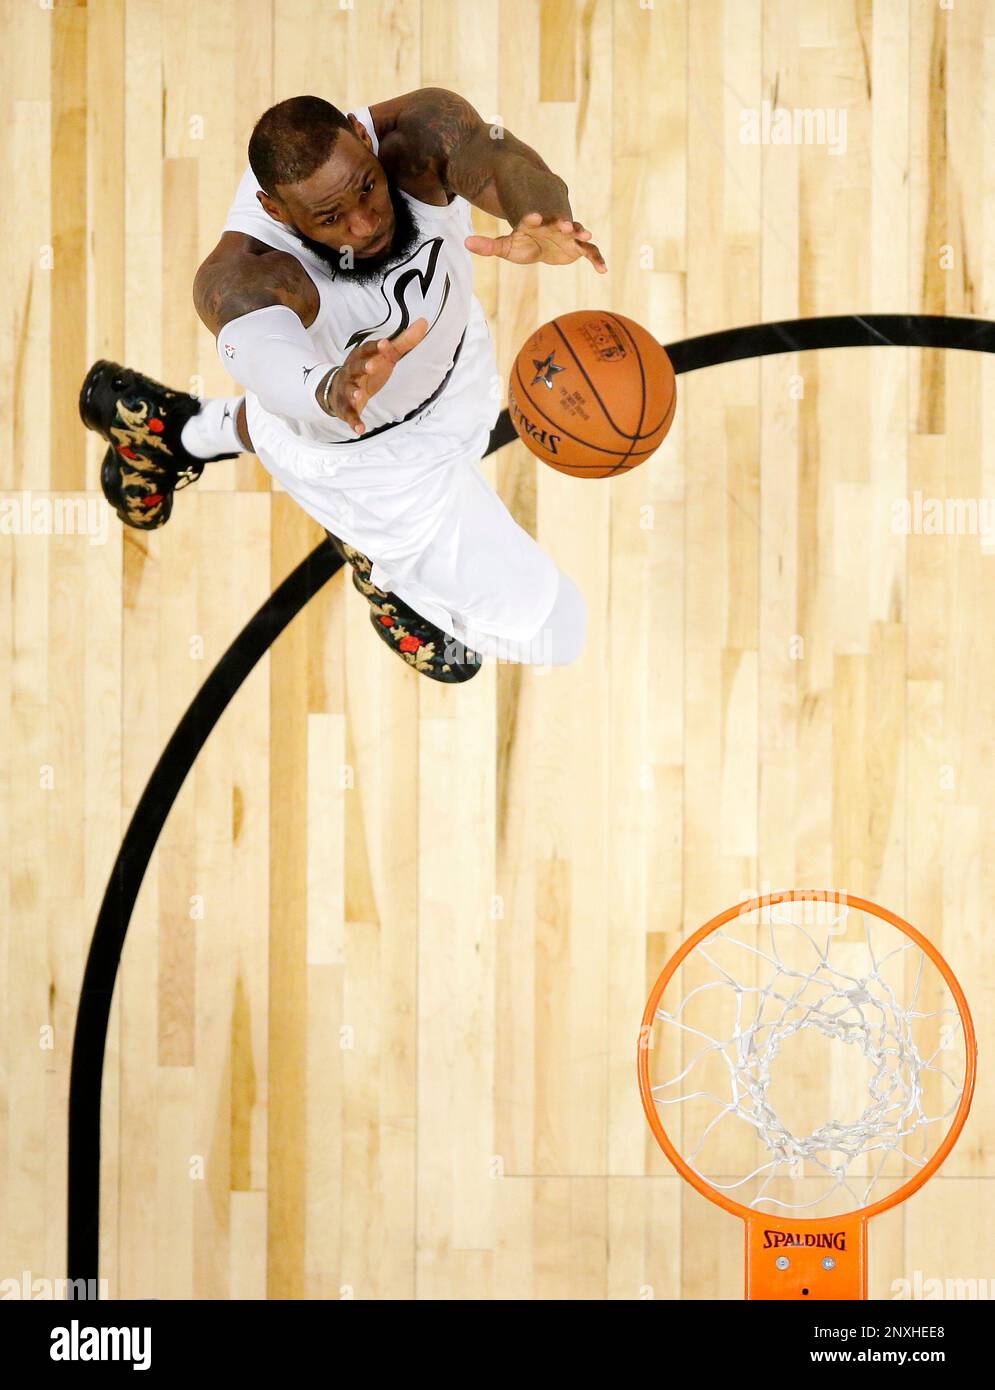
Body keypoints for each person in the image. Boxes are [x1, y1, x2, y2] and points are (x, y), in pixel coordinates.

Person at [80, 89, 604, 682]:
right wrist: (331, 387)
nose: (364, 223)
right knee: (558, 629)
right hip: (374, 469)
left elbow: (498, 160)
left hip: (456, 367)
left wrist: (543, 211)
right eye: (330, 219)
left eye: (367, 189)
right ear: (278, 214)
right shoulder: (245, 273)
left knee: (303, 429)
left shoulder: (416, 132)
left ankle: (177, 430)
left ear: (361, 134)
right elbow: (266, 359)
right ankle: (387, 575)